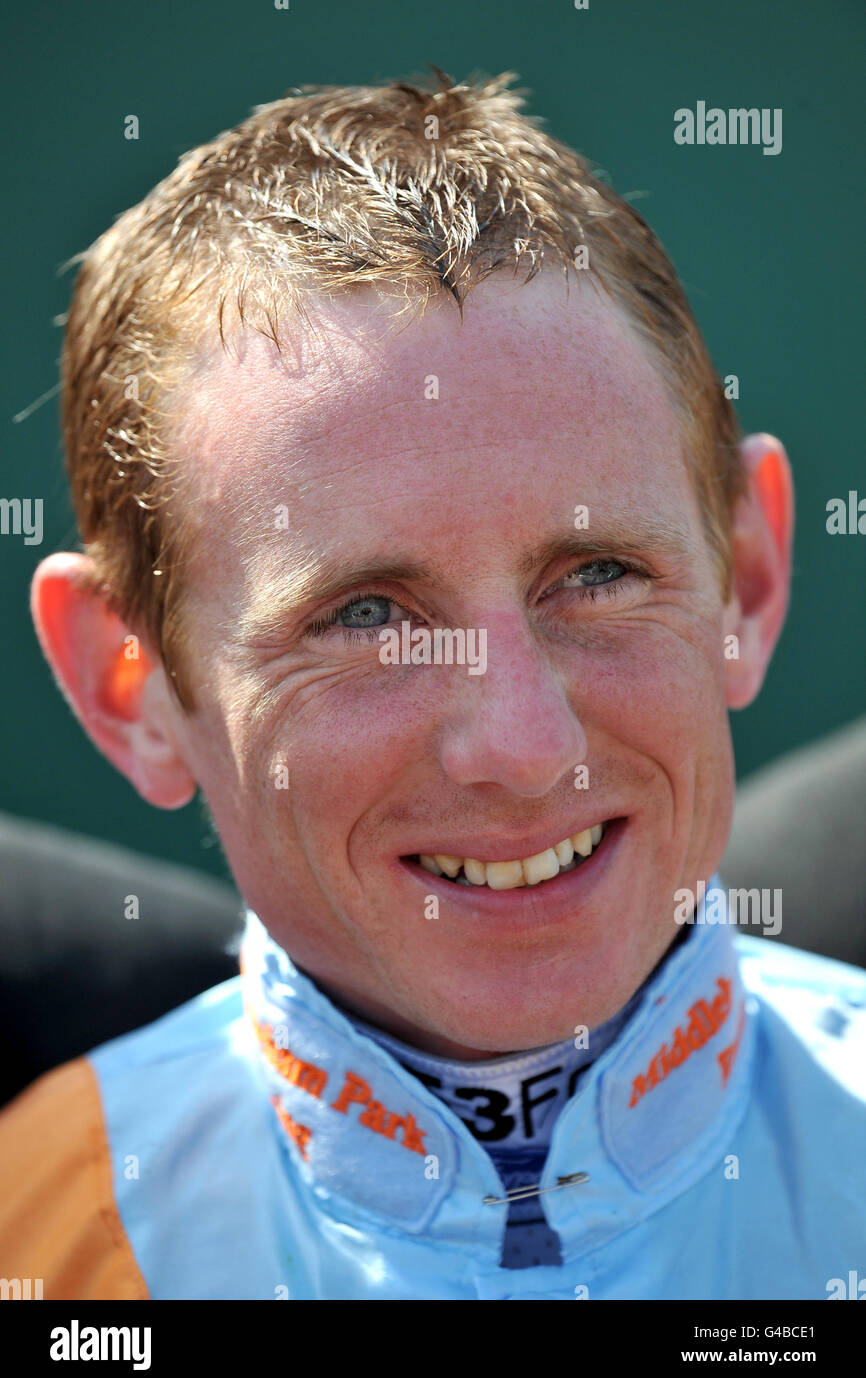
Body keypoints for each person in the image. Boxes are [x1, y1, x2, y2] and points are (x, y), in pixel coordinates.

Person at [1, 69, 863, 1300]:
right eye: (364, 615)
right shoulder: (31, 1248)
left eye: (598, 574)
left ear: (745, 577)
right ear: (127, 684)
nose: (519, 742)